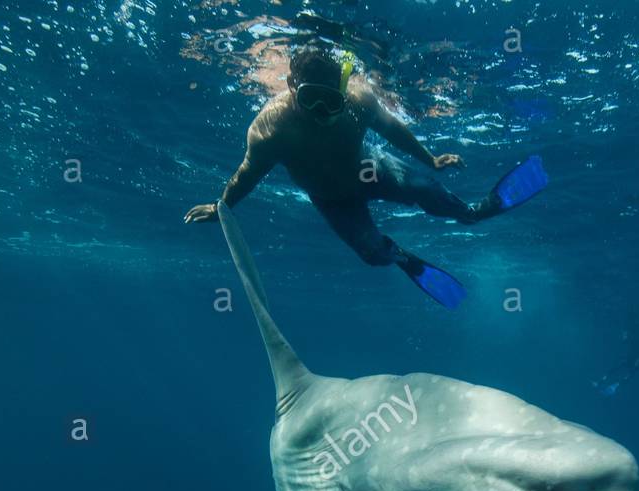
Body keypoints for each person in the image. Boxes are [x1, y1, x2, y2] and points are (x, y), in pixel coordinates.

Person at [185, 41, 547, 308]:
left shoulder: (360, 101)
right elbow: (248, 173)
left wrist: (431, 158)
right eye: (312, 99)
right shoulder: (271, 130)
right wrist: (223, 206)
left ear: (344, 90)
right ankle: (401, 257)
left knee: (437, 198)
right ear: (292, 88)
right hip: (332, 200)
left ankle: (477, 210)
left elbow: (393, 131)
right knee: (372, 254)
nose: (322, 111)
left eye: (332, 100)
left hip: (372, 169)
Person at [593, 308, 639, 396]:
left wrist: (626, 336)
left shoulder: (638, 333)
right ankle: (609, 383)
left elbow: (627, 340)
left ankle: (609, 383)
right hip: (636, 355)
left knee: (624, 368)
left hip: (636, 355)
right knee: (627, 370)